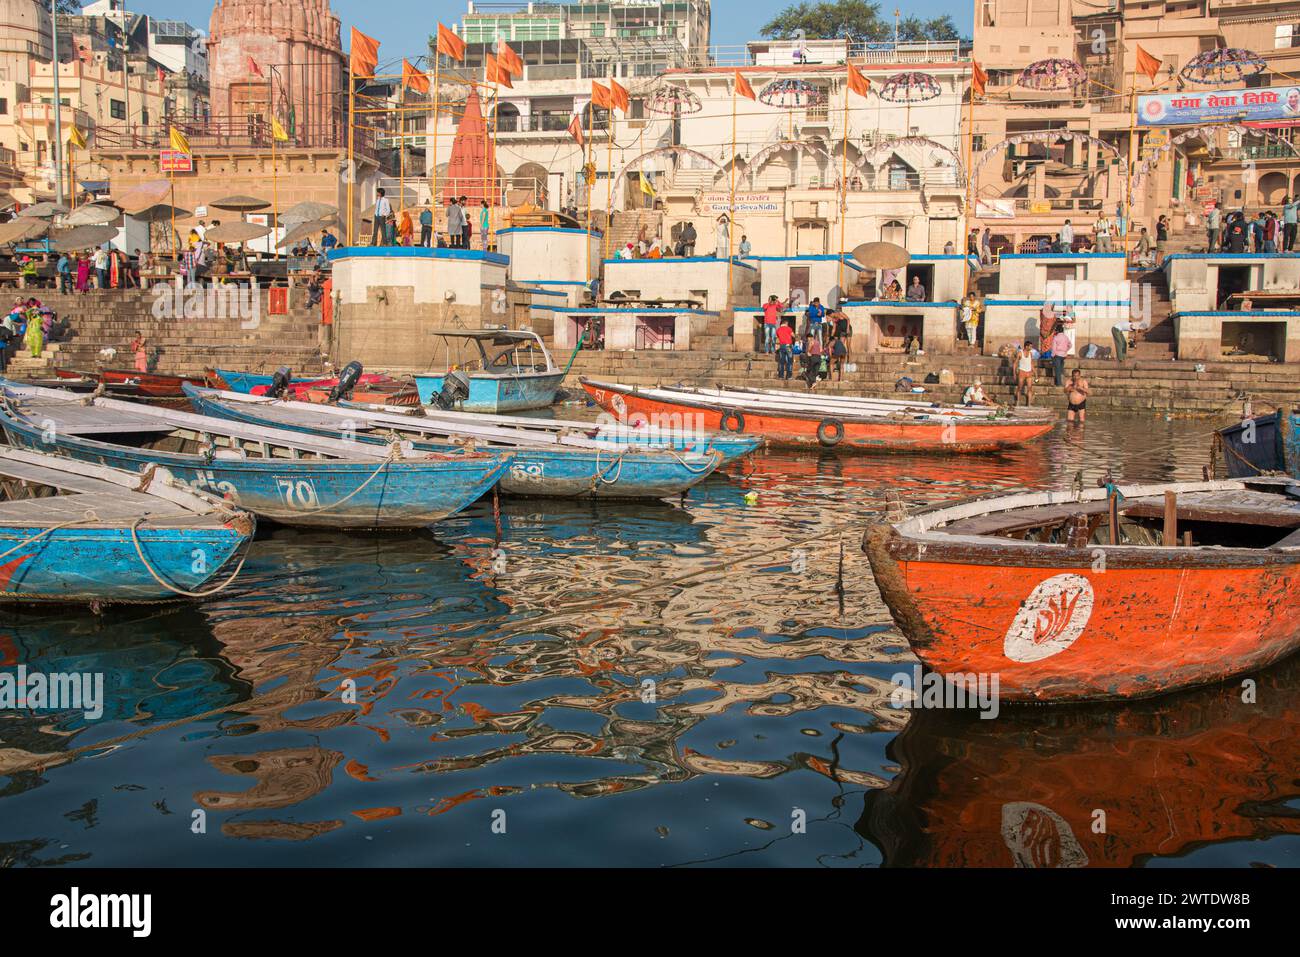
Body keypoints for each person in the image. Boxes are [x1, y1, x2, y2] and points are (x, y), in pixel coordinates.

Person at [1014, 340, 1036, 406]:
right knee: (1019, 388)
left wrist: (1035, 373)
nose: (1031, 348)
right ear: (1026, 346)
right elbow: (1015, 364)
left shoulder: (1030, 354)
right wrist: (1014, 374)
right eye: (1030, 346)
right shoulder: (1020, 353)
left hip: (1029, 372)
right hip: (1022, 372)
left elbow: (1031, 363)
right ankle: (1017, 402)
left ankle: (1029, 403)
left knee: (1030, 388)